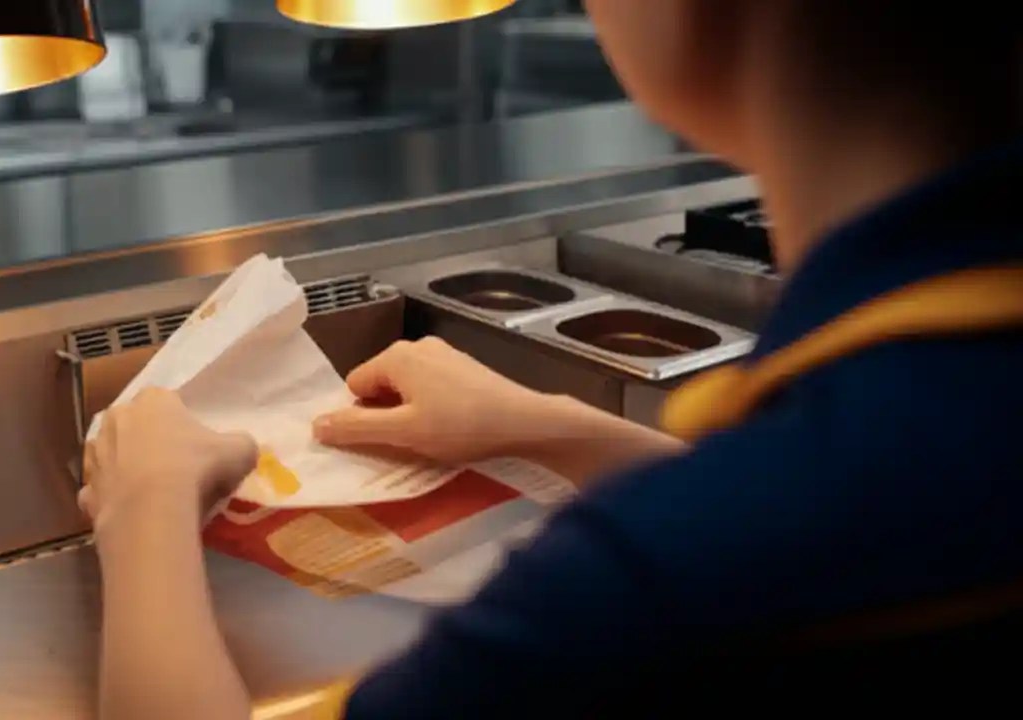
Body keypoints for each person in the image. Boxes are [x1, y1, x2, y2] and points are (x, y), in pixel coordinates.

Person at [80, 2, 1023, 717]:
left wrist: (144, 514)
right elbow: (869, 504)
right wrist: (553, 428)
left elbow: (773, 542)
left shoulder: (649, 589)